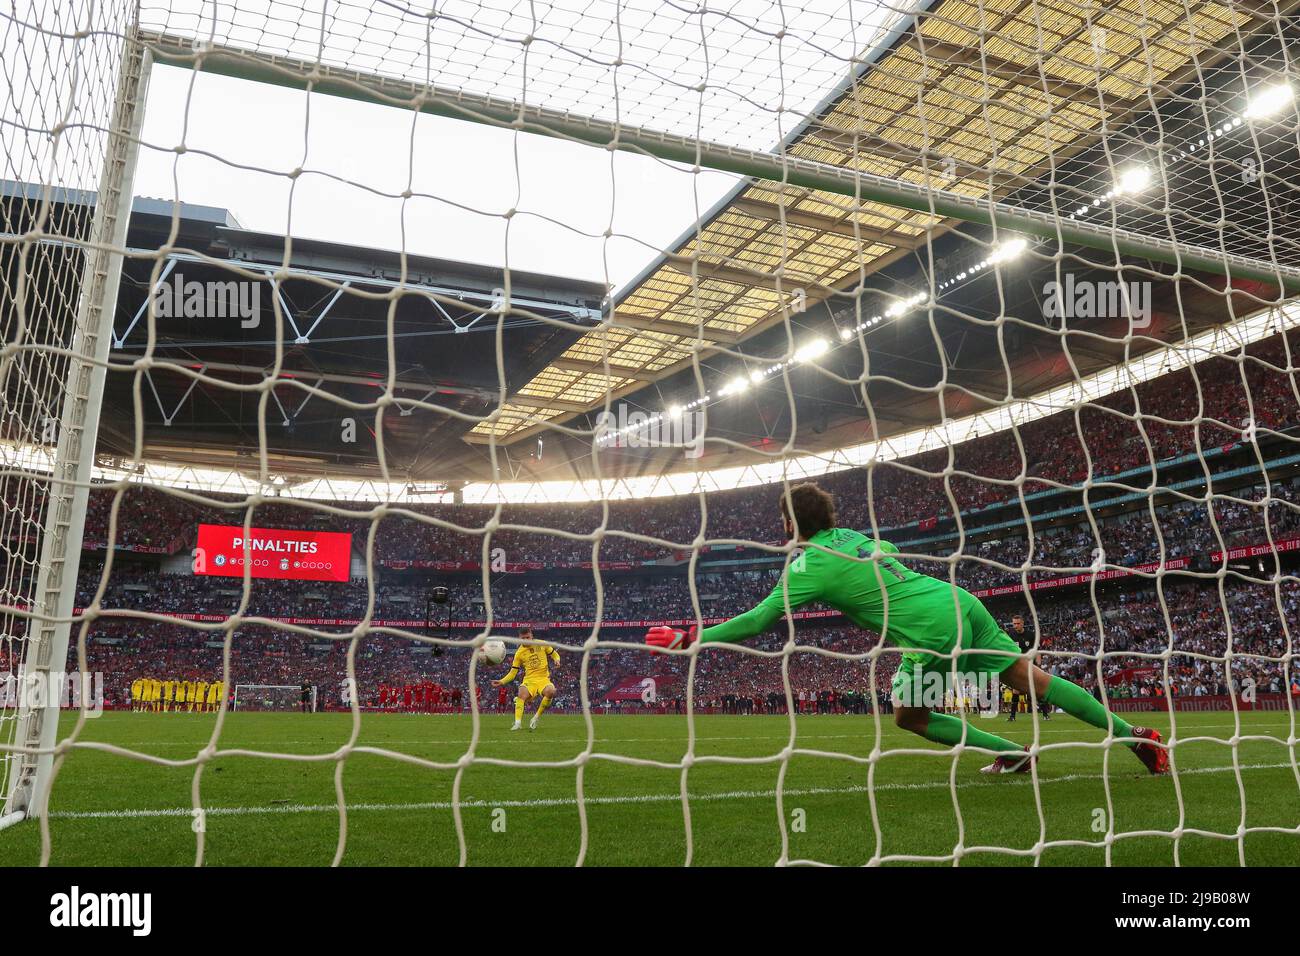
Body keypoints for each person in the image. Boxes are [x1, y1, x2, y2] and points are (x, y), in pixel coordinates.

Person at [645, 483, 1168, 776]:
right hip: (959, 600)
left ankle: (1011, 753)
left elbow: (760, 621)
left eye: (782, 520)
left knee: (908, 716)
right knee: (1033, 681)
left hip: (930, 630)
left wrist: (692, 639)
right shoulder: (851, 537)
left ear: (790, 524)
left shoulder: (807, 567)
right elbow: (888, 552)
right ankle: (1136, 738)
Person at [493, 626, 560, 731]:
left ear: (531, 636)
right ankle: (517, 723)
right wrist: (502, 681)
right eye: (522, 638)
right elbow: (513, 673)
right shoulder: (519, 653)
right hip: (529, 680)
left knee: (551, 691)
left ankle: (536, 718)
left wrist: (557, 660)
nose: (525, 640)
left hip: (543, 679)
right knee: (521, 694)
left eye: (527, 637)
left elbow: (555, 654)